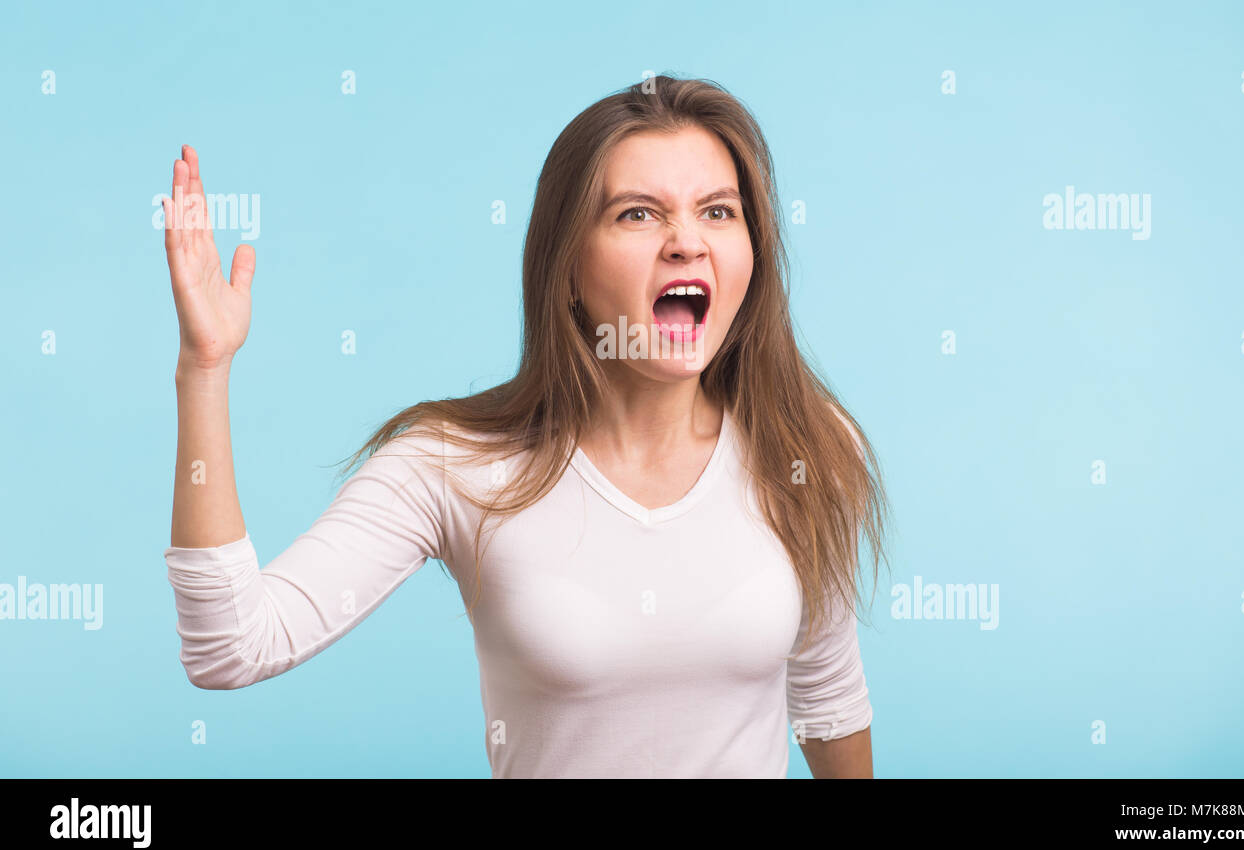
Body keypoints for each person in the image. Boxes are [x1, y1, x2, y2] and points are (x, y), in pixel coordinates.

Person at [162, 75, 890, 778]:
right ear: (568, 267)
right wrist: (205, 369)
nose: (686, 242)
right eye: (638, 213)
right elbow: (231, 647)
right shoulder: (451, 466)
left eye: (718, 211)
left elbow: (826, 700)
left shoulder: (807, 449)